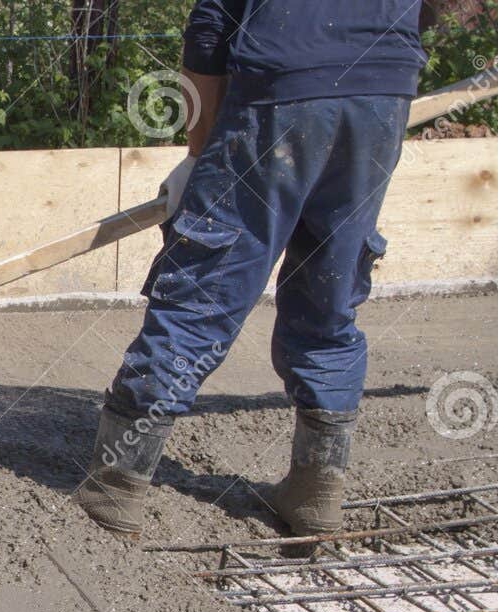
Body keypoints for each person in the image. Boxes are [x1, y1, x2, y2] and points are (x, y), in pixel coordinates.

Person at [75, 0, 439, 537]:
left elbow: (209, 29)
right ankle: (317, 489)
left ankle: (117, 486)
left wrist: (200, 153)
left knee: (205, 284)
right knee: (331, 283)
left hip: (280, 87)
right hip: (384, 87)